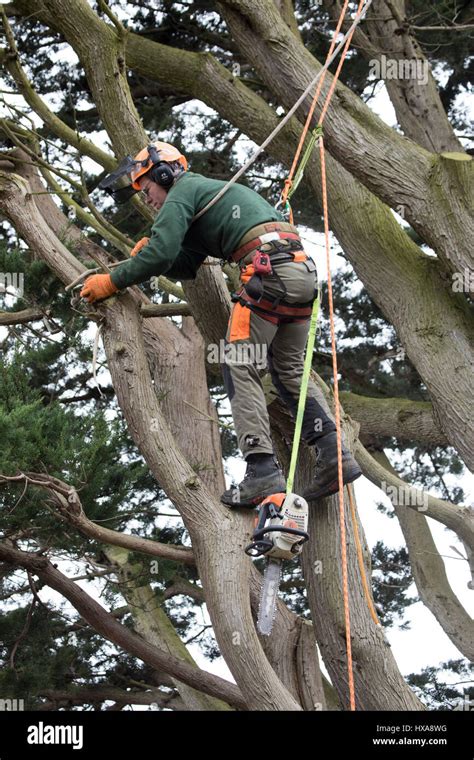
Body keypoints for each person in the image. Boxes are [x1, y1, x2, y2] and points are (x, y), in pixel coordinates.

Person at [81, 140, 362, 506]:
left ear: (164, 174)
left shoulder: (184, 190)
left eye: (147, 189)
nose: (147, 200)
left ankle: (262, 471)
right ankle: (334, 455)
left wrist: (113, 280)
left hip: (268, 273)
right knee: (290, 372)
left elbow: (163, 252)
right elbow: (184, 262)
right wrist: (152, 254)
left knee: (238, 364)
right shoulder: (206, 198)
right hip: (300, 275)